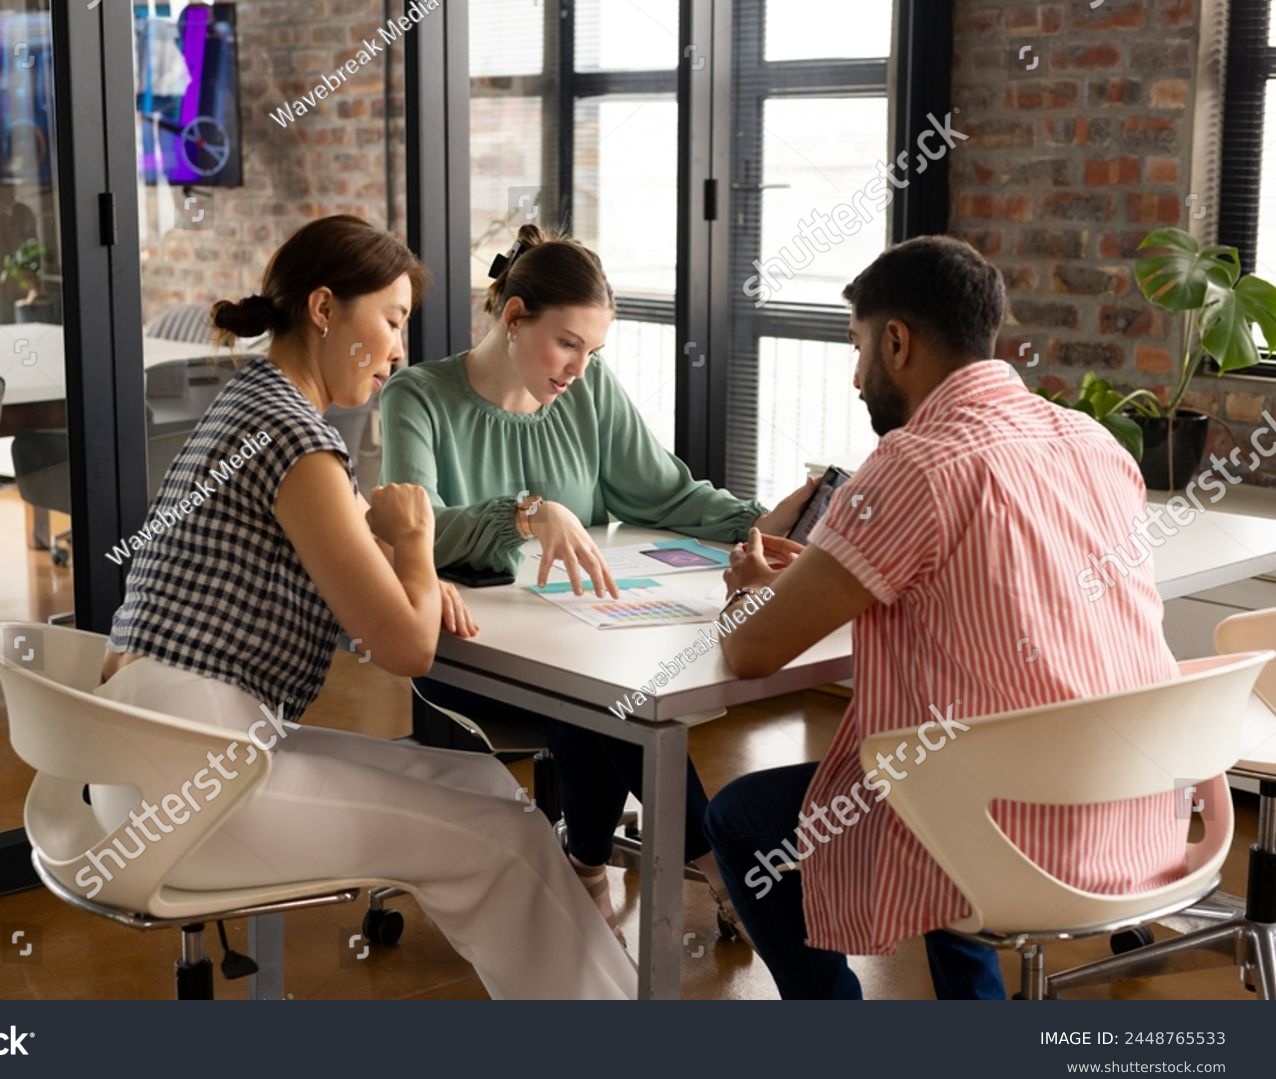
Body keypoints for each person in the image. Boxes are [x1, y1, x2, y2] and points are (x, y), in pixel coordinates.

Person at [94, 215, 637, 1000]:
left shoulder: (256, 407)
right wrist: (414, 546)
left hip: (155, 751)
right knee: (503, 836)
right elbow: (407, 649)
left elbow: (363, 573)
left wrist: (403, 571)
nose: (399, 350)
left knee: (489, 790)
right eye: (391, 320)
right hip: (191, 776)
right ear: (324, 310)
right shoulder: (297, 443)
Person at [703, 235, 1185, 999]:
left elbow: (752, 653)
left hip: (1003, 828)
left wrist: (750, 589)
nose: (855, 376)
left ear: (896, 342)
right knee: (943, 754)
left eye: (857, 346)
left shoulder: (914, 461)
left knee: (739, 819)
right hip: (1135, 803)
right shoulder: (1091, 441)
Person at [378, 224, 817, 942]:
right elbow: (415, 530)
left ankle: (585, 861)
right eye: (567, 344)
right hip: (466, 648)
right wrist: (526, 513)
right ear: (513, 317)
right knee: (608, 701)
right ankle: (717, 865)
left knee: (611, 691)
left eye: (593, 352)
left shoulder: (588, 392)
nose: (579, 370)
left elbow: (664, 493)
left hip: (580, 637)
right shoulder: (417, 397)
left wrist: (760, 523)